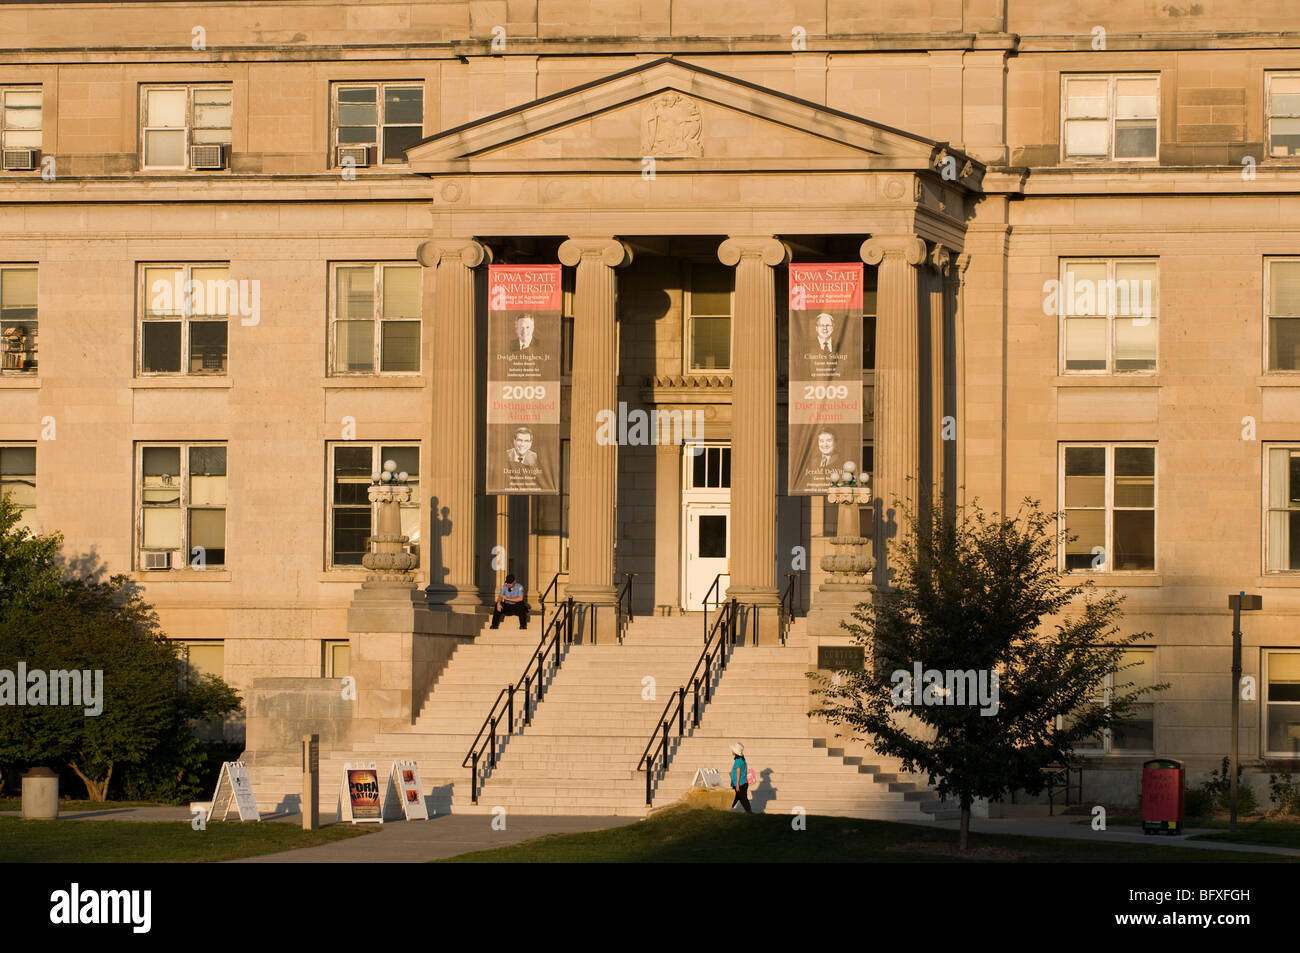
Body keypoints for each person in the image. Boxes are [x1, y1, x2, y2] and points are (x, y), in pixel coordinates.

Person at [729, 742, 751, 813]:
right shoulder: (742, 760)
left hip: (740, 784)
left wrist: (737, 784)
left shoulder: (738, 761)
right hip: (742, 783)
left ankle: (749, 812)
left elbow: (738, 772)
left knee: (743, 799)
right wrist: (731, 774)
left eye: (732, 750)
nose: (731, 751)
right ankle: (729, 808)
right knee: (736, 798)